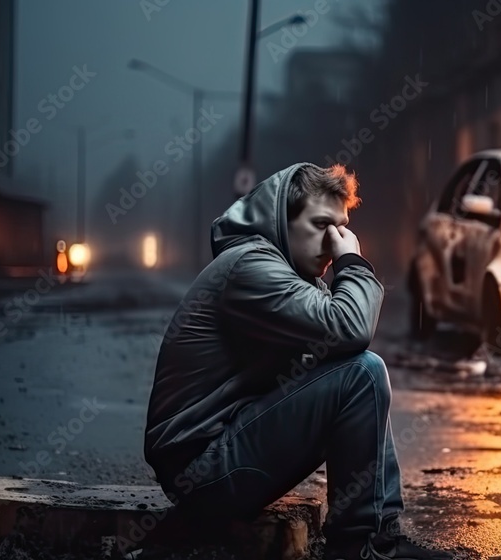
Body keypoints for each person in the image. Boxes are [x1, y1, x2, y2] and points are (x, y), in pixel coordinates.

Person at [143, 163, 452, 560]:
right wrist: (352, 264)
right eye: (321, 224)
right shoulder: (250, 267)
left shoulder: (289, 276)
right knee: (364, 373)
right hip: (201, 473)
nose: (334, 241)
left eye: (341, 228)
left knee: (356, 372)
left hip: (221, 457)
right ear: (281, 221)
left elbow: (336, 353)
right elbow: (351, 326)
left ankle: (378, 536)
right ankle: (361, 547)